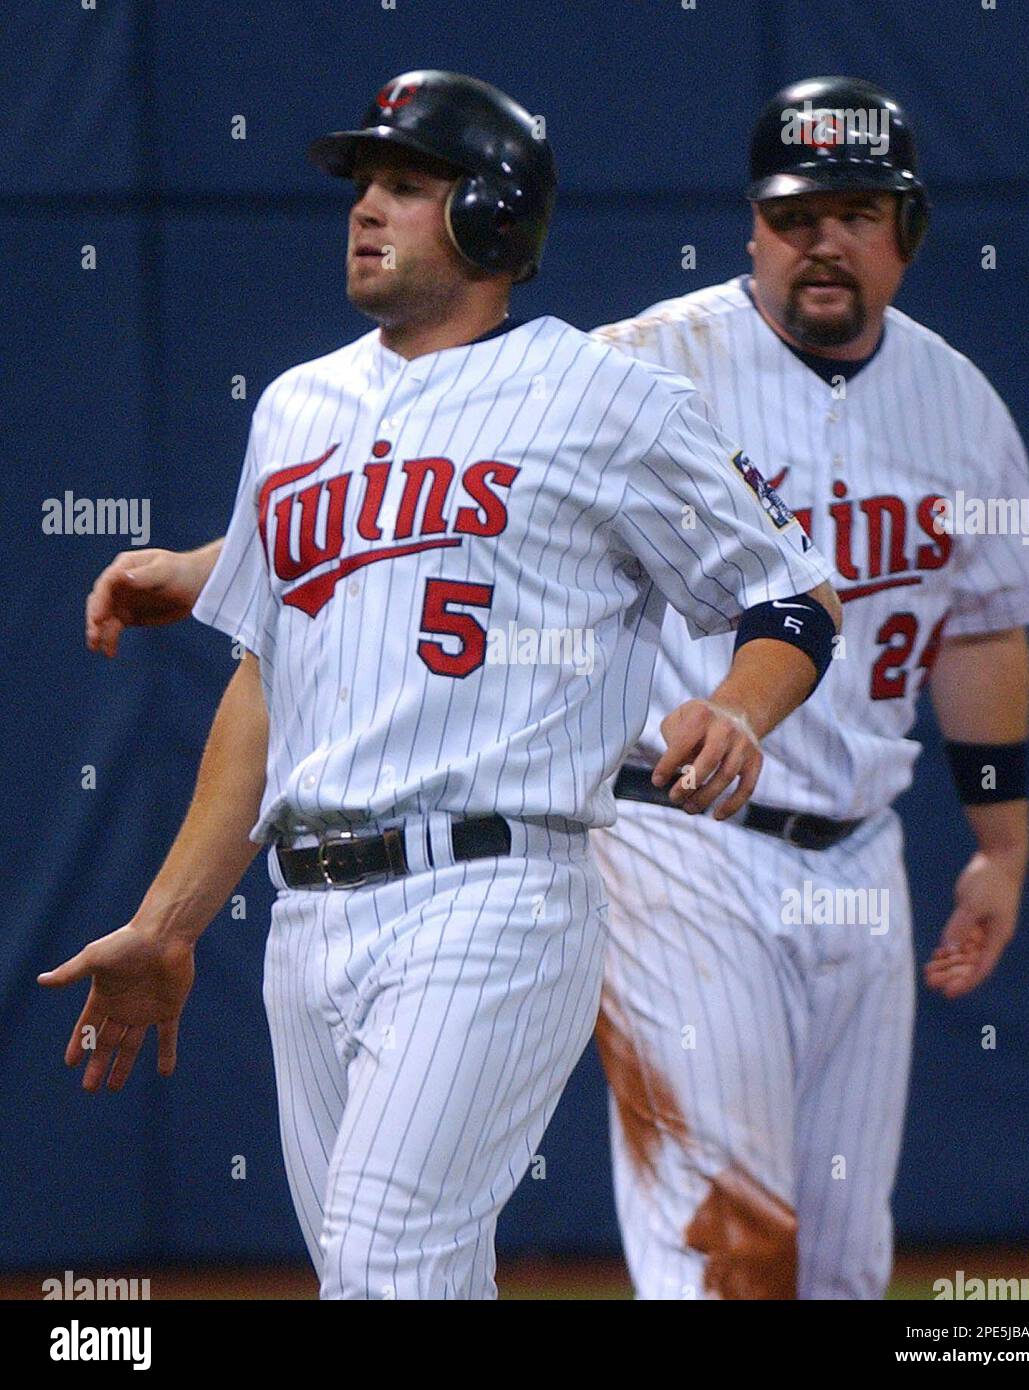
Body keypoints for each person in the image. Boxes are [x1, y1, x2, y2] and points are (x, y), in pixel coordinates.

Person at [50, 69, 839, 1301]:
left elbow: (792, 596)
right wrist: (167, 923)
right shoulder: (297, 409)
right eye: (363, 185)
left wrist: (740, 705)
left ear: (492, 213)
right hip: (305, 918)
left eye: (406, 186)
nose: (365, 208)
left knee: (384, 1265)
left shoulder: (607, 397)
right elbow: (269, 681)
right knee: (400, 1278)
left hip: (495, 895)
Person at [587, 76, 1029, 1299]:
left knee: (844, 1267)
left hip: (863, 859)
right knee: (732, 1243)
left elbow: (985, 629)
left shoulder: (963, 407)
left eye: (856, 209)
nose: (823, 240)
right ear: (753, 228)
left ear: (909, 230)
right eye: (797, 214)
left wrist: (999, 839)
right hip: (675, 843)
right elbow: (461, 483)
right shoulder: (641, 368)